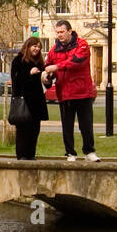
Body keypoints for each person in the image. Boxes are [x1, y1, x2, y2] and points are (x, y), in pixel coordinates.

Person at [44, 20, 99, 162]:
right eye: (57, 32)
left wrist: (56, 67)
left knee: (86, 124)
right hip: (65, 94)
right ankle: (70, 153)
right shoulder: (54, 49)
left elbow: (77, 61)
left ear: (69, 31)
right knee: (67, 126)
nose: (59, 35)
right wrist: (47, 77)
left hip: (82, 92)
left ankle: (89, 151)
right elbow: (48, 66)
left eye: (62, 32)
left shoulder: (82, 45)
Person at [9, 37, 49, 160]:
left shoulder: (39, 63)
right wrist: (29, 74)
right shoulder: (18, 61)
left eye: (38, 47)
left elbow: (45, 84)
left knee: (34, 130)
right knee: (23, 131)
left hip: (37, 102)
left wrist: (46, 79)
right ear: (28, 46)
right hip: (24, 102)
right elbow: (16, 81)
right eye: (34, 46)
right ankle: (22, 156)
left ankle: (31, 155)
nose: (36, 49)